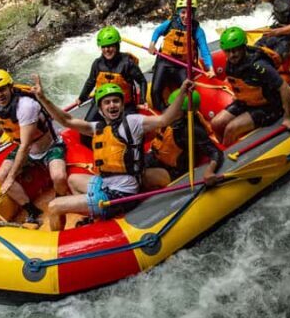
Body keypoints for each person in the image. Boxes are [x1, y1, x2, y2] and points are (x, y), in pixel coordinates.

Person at [32, 75, 195, 231]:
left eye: (116, 101)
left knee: (54, 206)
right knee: (73, 179)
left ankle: (63, 243)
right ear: (101, 109)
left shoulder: (134, 122)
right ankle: (93, 216)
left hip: (120, 195)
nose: (112, 105)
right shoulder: (98, 128)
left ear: (122, 105)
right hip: (106, 185)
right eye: (107, 102)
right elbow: (66, 120)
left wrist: (181, 91)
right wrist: (43, 99)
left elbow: (164, 120)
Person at [0, 68, 68, 226]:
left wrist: (11, 178)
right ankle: (32, 211)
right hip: (27, 149)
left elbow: (25, 145)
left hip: (49, 146)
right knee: (1, 175)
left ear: (10, 87)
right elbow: (2, 121)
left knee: (59, 177)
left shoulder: (25, 106)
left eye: (2, 90)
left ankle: (59, 203)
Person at [210, 27, 290, 146]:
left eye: (235, 50)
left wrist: (288, 118)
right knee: (216, 123)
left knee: (231, 128)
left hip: (268, 107)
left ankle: (227, 158)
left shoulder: (259, 65)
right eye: (227, 51)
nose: (231, 55)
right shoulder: (231, 62)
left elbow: (284, 88)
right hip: (246, 103)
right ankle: (224, 148)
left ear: (243, 47)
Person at [143, 88, 223, 189]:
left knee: (142, 175)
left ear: (185, 113)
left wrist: (209, 171)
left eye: (174, 107)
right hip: (156, 158)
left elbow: (215, 152)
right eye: (170, 106)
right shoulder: (168, 120)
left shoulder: (191, 129)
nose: (169, 109)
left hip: (174, 171)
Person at [146, 0, 215, 110]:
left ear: (193, 14)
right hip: (164, 62)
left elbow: (205, 51)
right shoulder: (170, 23)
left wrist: (211, 68)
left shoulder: (197, 30)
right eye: (183, 12)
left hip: (182, 66)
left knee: (187, 92)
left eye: (189, 13)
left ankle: (184, 115)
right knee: (155, 91)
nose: (186, 16)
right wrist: (152, 44)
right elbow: (157, 31)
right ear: (178, 12)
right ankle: (163, 113)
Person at [77, 26, 148, 122]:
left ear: (117, 46)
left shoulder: (127, 63)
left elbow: (142, 81)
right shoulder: (97, 64)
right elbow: (91, 82)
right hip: (103, 105)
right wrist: (81, 98)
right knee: (87, 127)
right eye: (104, 47)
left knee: (129, 131)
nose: (107, 50)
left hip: (124, 105)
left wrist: (143, 100)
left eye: (110, 46)